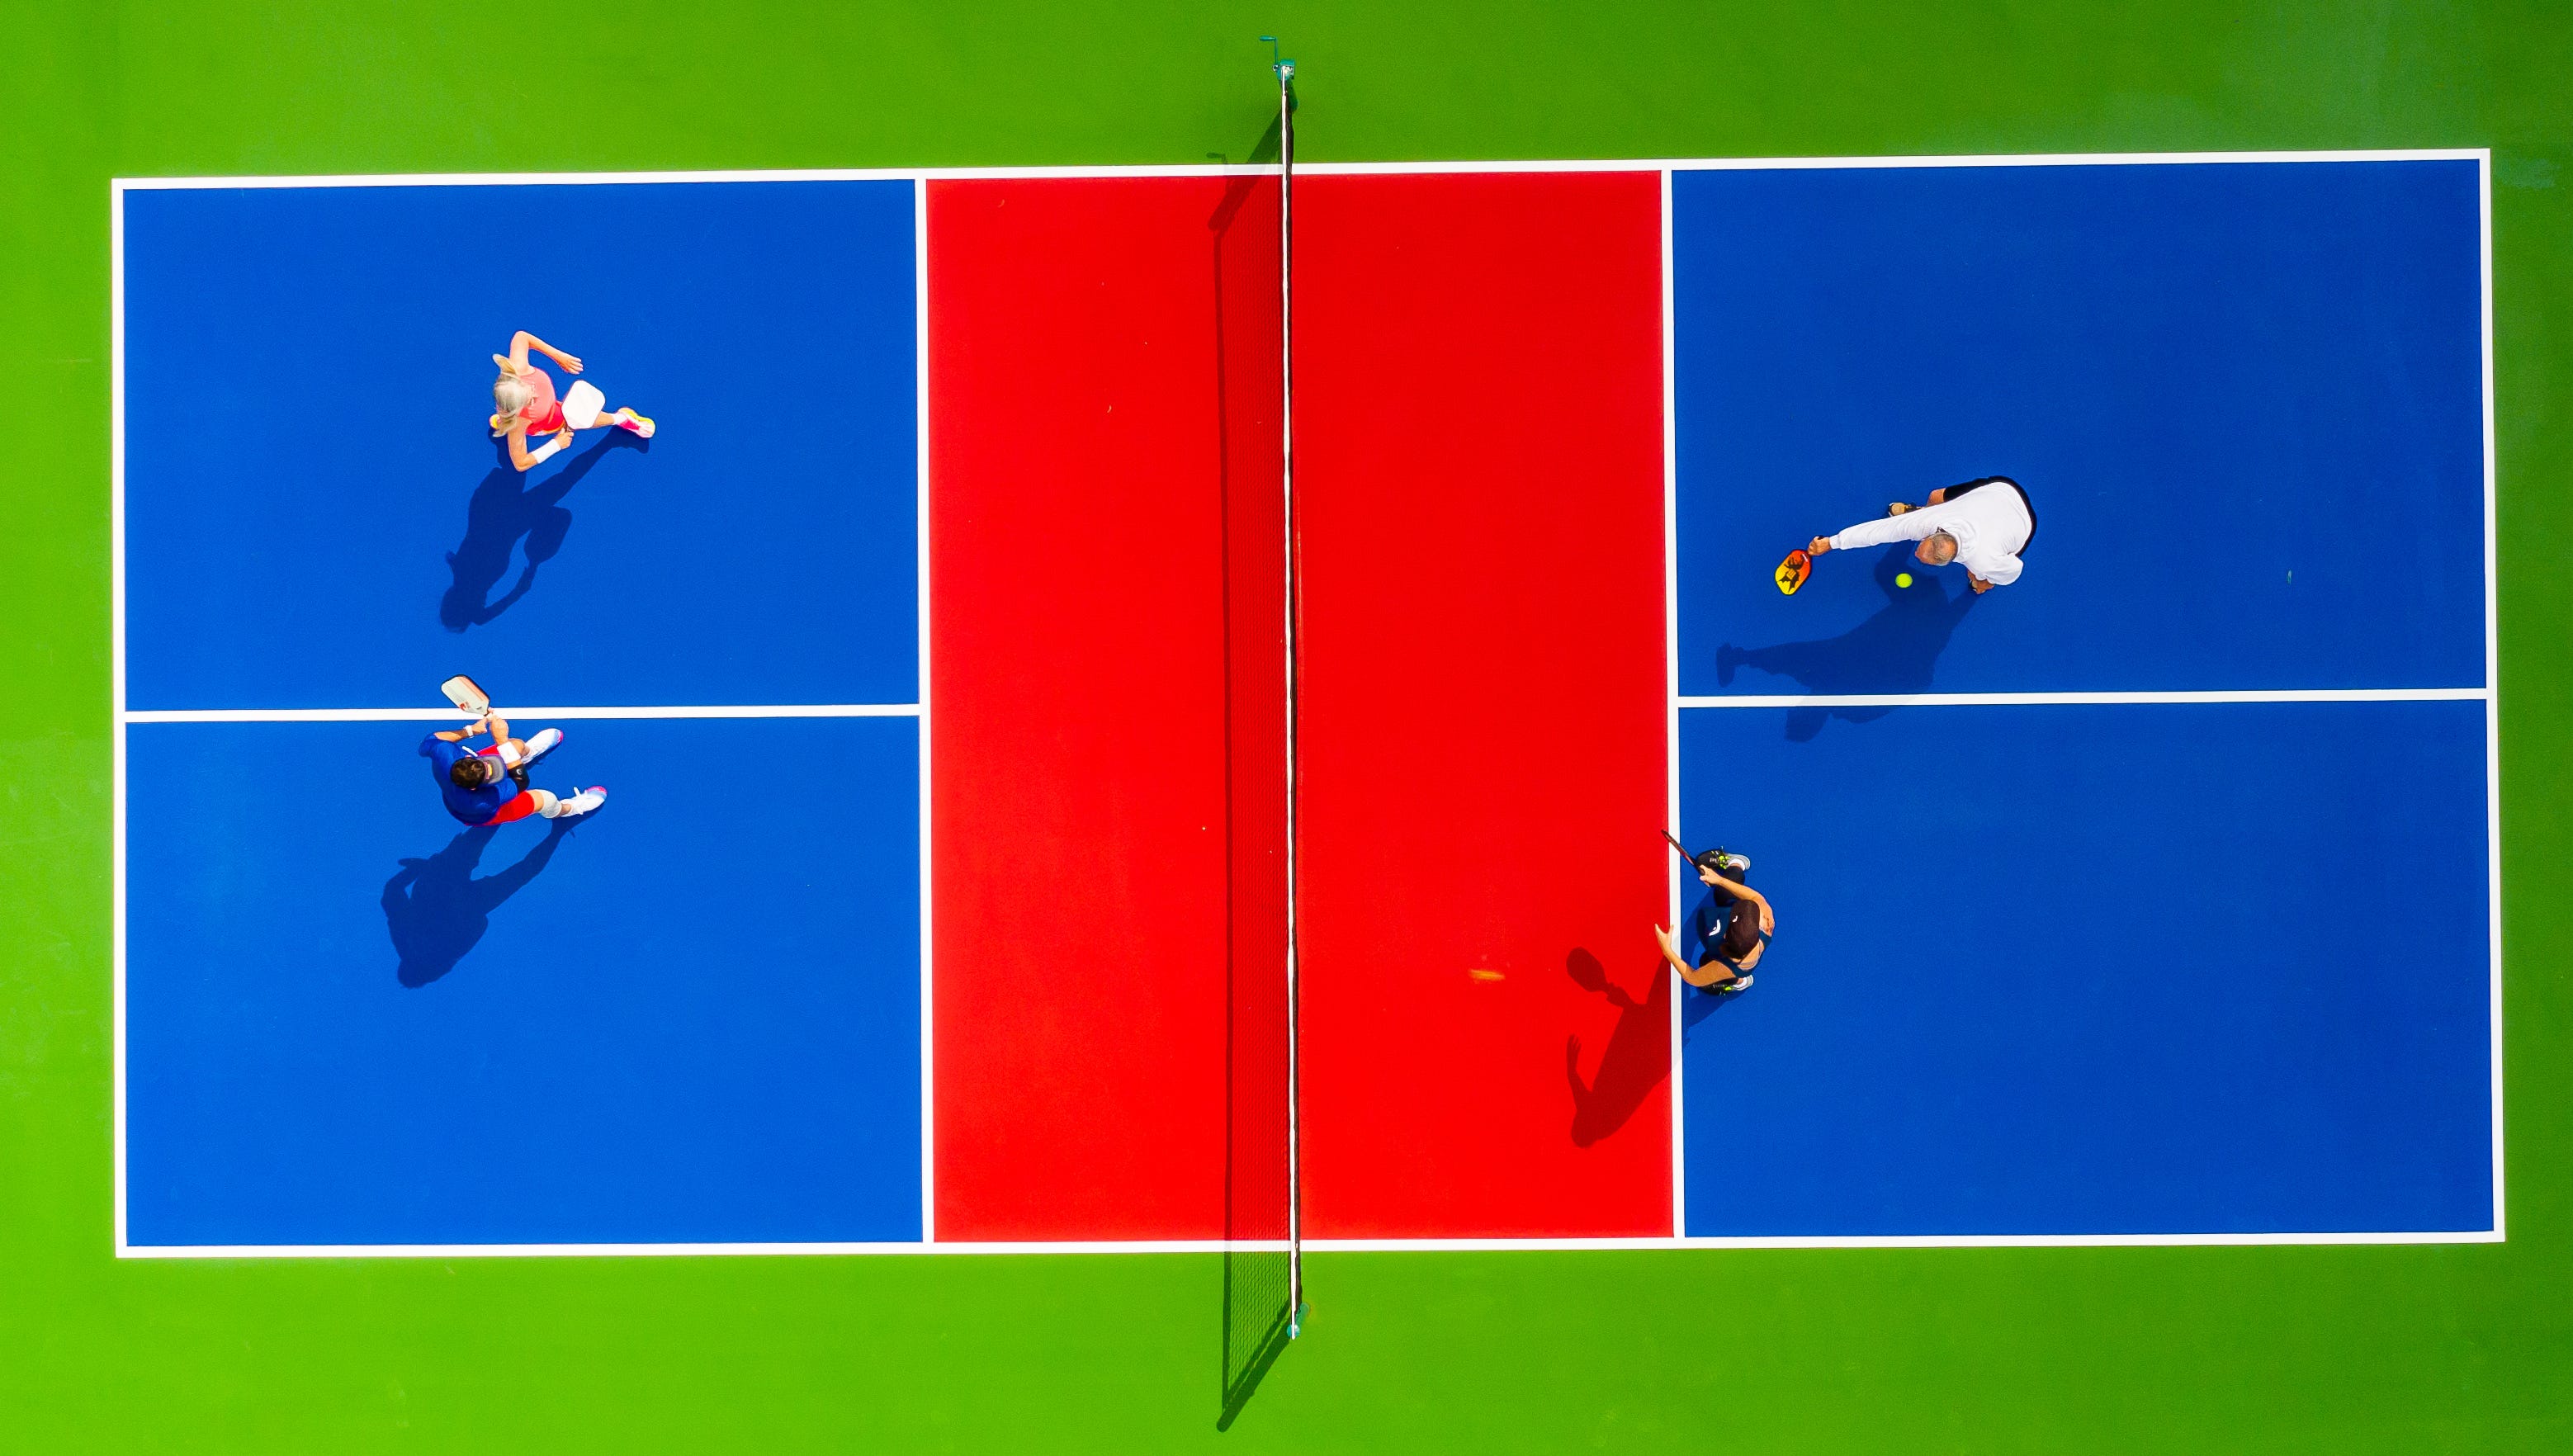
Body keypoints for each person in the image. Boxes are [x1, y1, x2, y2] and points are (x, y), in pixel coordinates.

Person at [1807, 475, 2035, 593]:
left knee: (1982, 578)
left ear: (1944, 563)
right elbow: (1878, 532)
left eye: (1922, 558)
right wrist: (1831, 543)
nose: (1916, 554)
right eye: (1921, 548)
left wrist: (1989, 577)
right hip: (1999, 489)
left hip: (2023, 523)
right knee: (1936, 497)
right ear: (1933, 534)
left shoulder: (1985, 561)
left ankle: (1982, 585)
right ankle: (1918, 509)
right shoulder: (1928, 523)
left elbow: (2015, 570)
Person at [490, 330, 656, 473]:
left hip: (524, 413)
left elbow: (521, 337)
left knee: (514, 427)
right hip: (550, 422)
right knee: (578, 416)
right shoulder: (520, 422)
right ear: (516, 409)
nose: (535, 394)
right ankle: (623, 418)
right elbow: (520, 464)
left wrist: (558, 356)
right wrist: (556, 444)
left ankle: (504, 421)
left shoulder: (518, 368)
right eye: (530, 401)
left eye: (529, 389)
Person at [421, 709, 606, 827]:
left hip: (466, 787)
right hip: (485, 814)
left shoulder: (443, 754)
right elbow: (521, 781)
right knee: (546, 799)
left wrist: (471, 731)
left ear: (468, 758)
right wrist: (501, 740)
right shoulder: (482, 802)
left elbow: (431, 740)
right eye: (491, 775)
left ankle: (528, 753)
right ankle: (569, 809)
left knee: (516, 745)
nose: (495, 769)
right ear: (474, 787)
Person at [1653, 852, 1771, 993]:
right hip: (1731, 941)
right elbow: (1754, 897)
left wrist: (1667, 950)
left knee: (1705, 962)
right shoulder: (1765, 920)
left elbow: (1692, 978)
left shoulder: (1726, 967)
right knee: (1722, 893)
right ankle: (1736, 863)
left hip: (1725, 958)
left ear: (1726, 935)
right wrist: (1719, 880)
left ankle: (1740, 982)